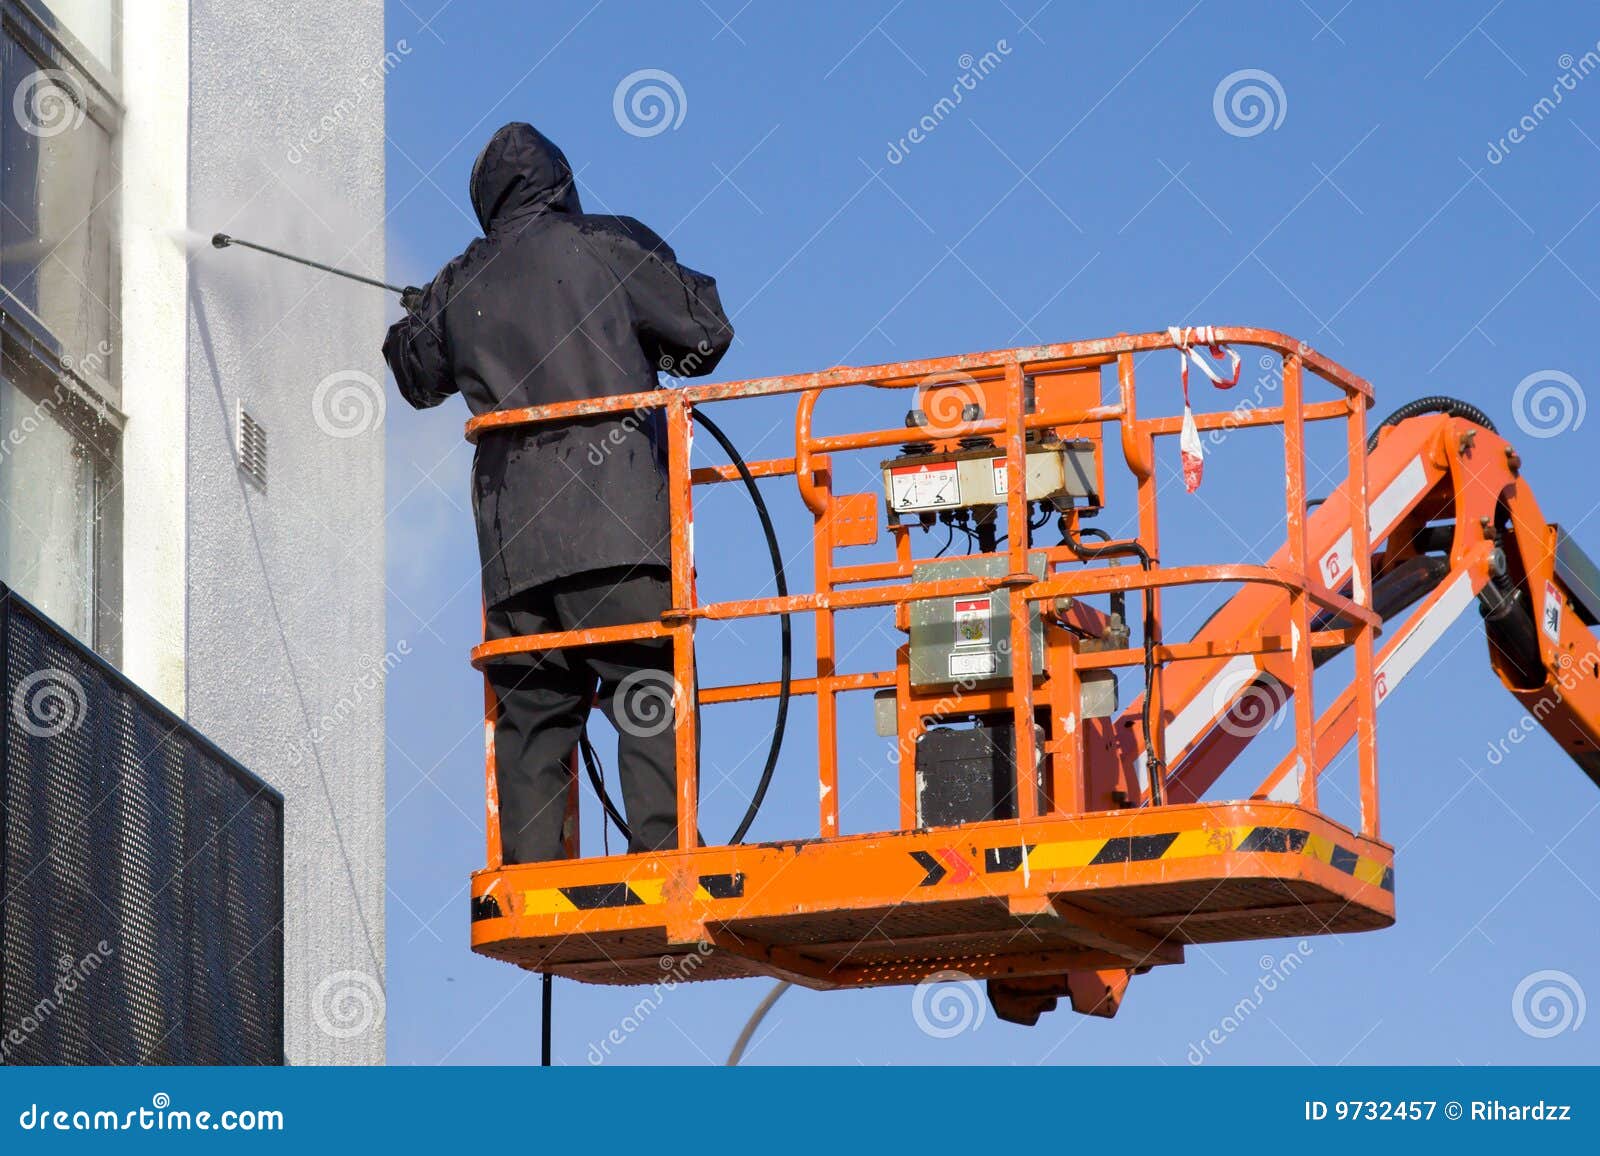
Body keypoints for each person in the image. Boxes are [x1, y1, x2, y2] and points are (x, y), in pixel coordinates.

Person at [383, 122, 734, 863]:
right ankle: (664, 855)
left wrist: (424, 314)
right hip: (620, 528)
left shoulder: (460, 280)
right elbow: (706, 332)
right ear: (559, 181)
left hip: (517, 551)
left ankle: (535, 875)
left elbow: (415, 376)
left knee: (534, 707)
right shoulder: (607, 245)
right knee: (646, 680)